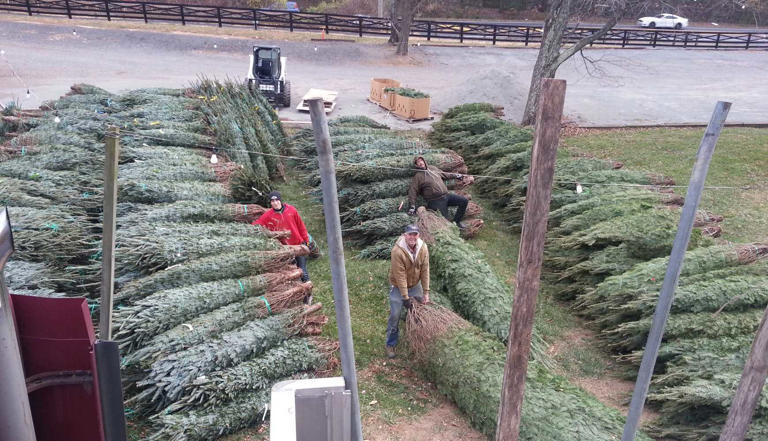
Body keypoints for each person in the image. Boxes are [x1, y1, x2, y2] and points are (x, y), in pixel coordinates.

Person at [385, 224, 430, 359]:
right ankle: (391, 343)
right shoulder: (397, 252)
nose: (412, 237)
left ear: (418, 235)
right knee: (395, 315)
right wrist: (405, 297)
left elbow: (425, 270)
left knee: (418, 314)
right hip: (398, 287)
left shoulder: (423, 248)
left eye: (415, 234)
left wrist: (426, 292)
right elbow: (400, 276)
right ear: (405, 235)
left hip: (415, 286)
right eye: (410, 234)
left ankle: (416, 341)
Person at [253, 191, 311, 285]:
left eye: (277, 200)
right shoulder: (268, 215)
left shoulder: (291, 210)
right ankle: (299, 290)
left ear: (280, 200)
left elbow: (301, 226)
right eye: (272, 201)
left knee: (302, 269)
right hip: (285, 249)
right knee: (293, 271)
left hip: (298, 244)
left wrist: (306, 241)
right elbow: (257, 224)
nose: (275, 203)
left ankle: (308, 288)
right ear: (270, 203)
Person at [408, 155, 473, 229]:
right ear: (416, 165)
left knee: (464, 201)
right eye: (418, 162)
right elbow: (413, 190)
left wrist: (457, 176)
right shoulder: (418, 176)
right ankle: (451, 230)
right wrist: (412, 205)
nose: (420, 163)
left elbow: (445, 175)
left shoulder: (433, 168)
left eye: (421, 160)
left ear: (424, 161)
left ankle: (456, 222)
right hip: (435, 201)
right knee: (445, 222)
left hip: (446, 196)